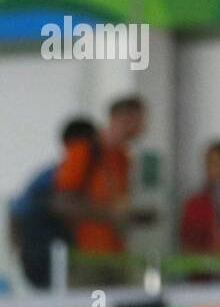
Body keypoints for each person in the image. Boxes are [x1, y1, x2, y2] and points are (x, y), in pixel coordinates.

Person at [52, 96, 152, 284]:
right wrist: (110, 213)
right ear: (121, 118)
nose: (143, 127)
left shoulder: (122, 159)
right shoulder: (84, 151)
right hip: (85, 256)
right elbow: (62, 202)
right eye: (139, 120)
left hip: (116, 253)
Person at [9, 117, 99, 290]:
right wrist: (18, 247)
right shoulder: (51, 177)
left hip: (61, 253)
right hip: (42, 251)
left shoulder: (73, 178)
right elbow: (18, 210)